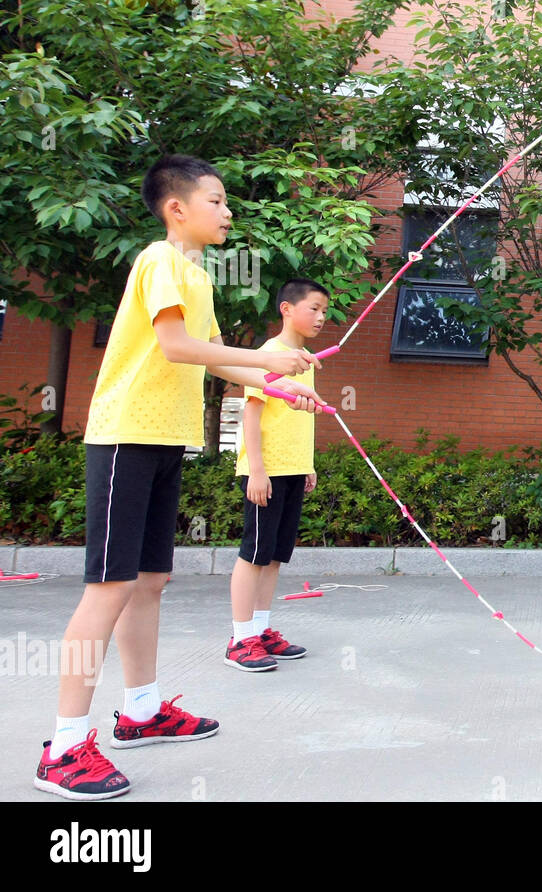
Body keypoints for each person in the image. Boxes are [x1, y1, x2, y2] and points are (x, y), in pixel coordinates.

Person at [34, 155, 327, 800]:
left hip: (167, 440)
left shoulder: (196, 276)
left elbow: (220, 361)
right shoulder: (160, 260)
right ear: (177, 209)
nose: (227, 212)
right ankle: (62, 747)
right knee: (107, 588)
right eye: (218, 201)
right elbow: (176, 347)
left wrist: (282, 385)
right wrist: (266, 357)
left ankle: (141, 713)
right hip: (124, 438)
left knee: (149, 581)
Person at [225, 279, 330, 671]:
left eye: (324, 311)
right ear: (287, 309)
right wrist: (256, 471)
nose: (321, 317)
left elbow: (295, 418)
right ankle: (240, 640)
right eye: (314, 308)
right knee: (253, 554)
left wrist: (307, 464)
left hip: (292, 470)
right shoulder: (269, 354)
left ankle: (262, 630)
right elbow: (251, 412)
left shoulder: (304, 358)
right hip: (264, 473)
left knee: (273, 558)